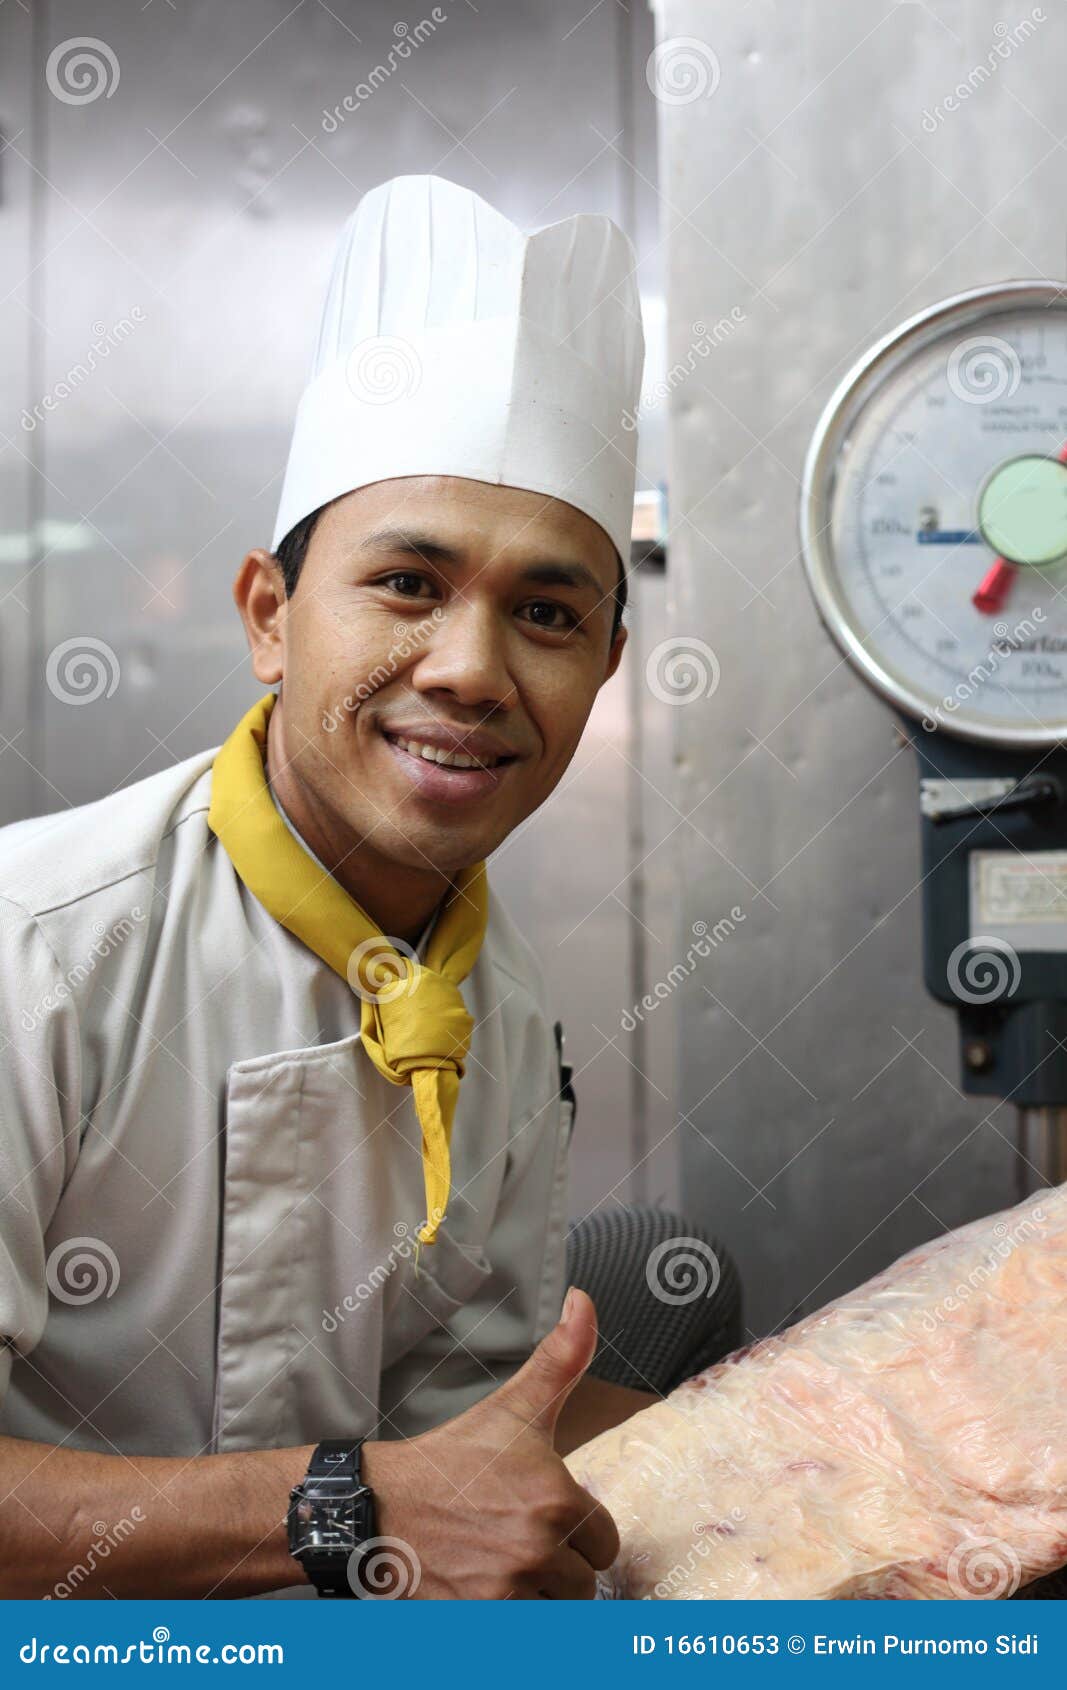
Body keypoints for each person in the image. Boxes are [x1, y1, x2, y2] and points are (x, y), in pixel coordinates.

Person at [0, 175, 652, 1599]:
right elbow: (396, 1493)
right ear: (268, 619)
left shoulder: (500, 1013)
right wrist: (344, 1507)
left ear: (602, 669)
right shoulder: (36, 952)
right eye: (409, 583)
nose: (474, 668)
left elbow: (458, 1436)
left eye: (548, 612)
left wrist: (835, 1448)